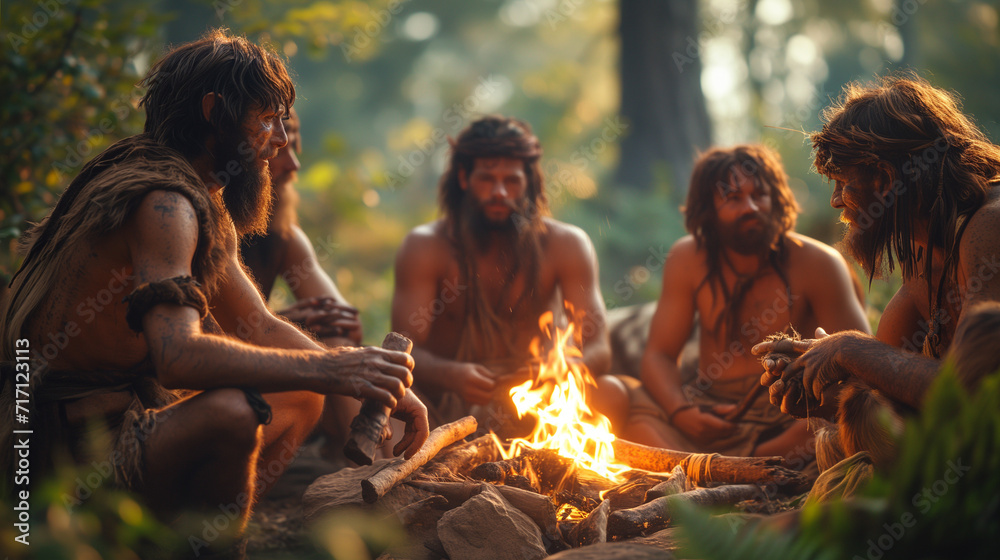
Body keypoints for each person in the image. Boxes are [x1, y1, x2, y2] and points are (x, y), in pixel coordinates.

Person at [0, 30, 427, 554]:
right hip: (53, 456)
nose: (280, 140)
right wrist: (336, 368)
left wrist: (371, 384)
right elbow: (177, 356)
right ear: (213, 111)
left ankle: (181, 535)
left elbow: (260, 325)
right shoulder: (166, 204)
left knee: (300, 391)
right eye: (266, 118)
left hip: (104, 429)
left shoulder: (189, 190)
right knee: (233, 412)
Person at [756, 75, 1000, 469]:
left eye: (840, 183)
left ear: (886, 179)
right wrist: (817, 384)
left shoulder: (989, 228)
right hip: (960, 453)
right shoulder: (924, 245)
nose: (835, 201)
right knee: (852, 428)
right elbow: (888, 389)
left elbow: (969, 392)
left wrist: (848, 348)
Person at [606, 144, 869, 460]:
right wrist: (681, 413)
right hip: (704, 419)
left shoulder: (819, 263)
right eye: (733, 198)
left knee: (847, 411)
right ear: (708, 210)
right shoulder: (687, 258)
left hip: (792, 420)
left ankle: (727, 469)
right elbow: (659, 356)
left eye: (759, 195)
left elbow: (861, 368)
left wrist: (767, 450)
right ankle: (703, 468)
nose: (751, 207)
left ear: (776, 199)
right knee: (611, 393)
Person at [390, 115, 611, 432]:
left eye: (511, 181)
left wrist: (557, 371)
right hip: (447, 409)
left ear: (529, 183)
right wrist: (450, 374)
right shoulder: (425, 248)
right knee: (393, 406)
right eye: (486, 179)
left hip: (540, 403)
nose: (499, 192)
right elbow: (404, 352)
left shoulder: (566, 245)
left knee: (613, 394)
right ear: (464, 179)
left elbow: (599, 346)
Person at [240, 107, 367, 461]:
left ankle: (383, 466)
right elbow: (185, 343)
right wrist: (280, 323)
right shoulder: (197, 222)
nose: (293, 165)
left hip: (257, 372)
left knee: (331, 336)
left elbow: (337, 317)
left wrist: (336, 324)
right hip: (201, 380)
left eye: (294, 147)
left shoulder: (282, 236)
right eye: (279, 150)